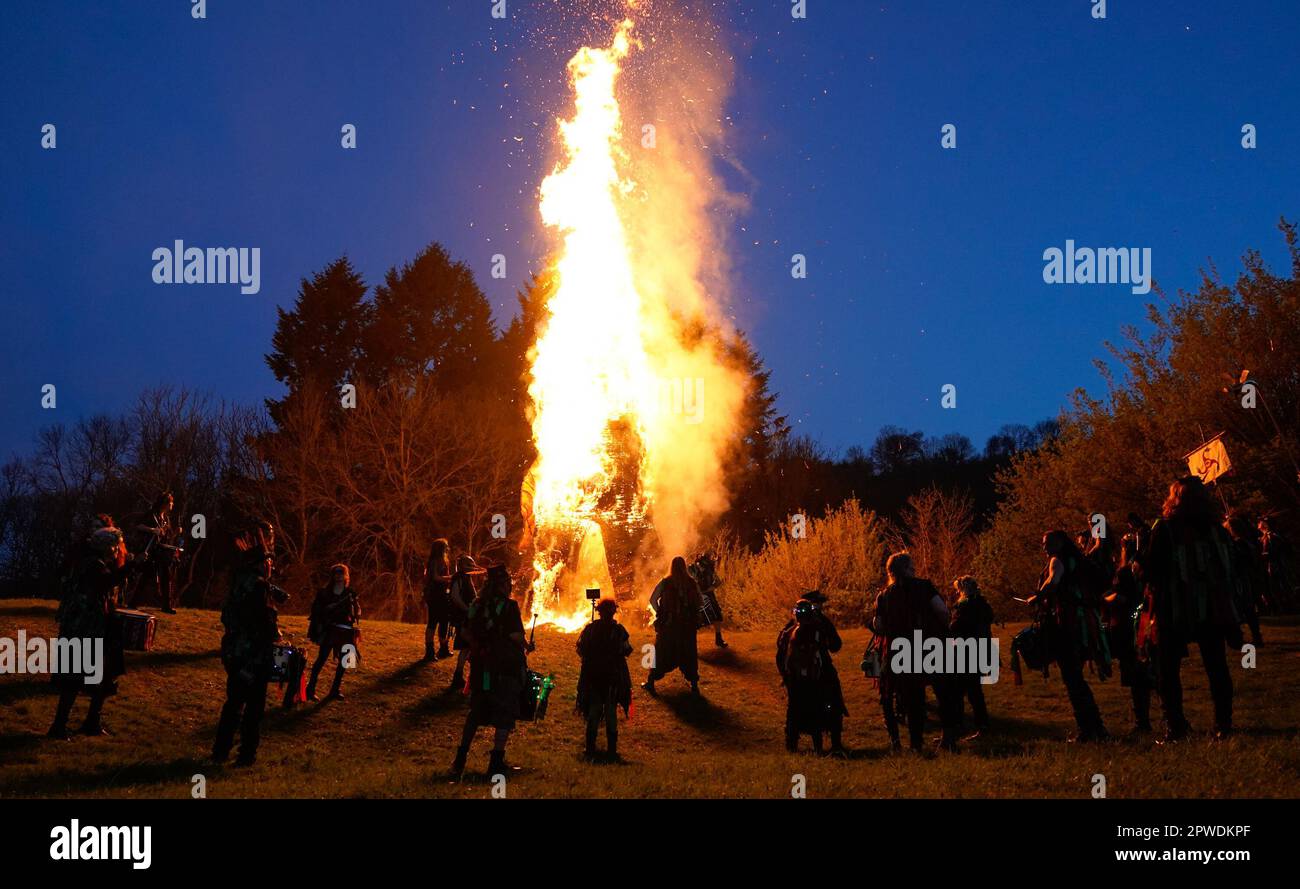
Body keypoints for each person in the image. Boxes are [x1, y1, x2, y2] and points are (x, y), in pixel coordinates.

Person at [1145, 477, 1239, 742]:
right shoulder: (1217, 530)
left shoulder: (1165, 529)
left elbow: (1153, 570)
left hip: (1175, 607)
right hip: (1210, 606)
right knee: (1216, 666)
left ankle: (1176, 726)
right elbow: (1230, 568)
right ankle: (1223, 723)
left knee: (1169, 670)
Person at [48, 525, 134, 739]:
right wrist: (130, 567)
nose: (117, 551)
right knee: (73, 678)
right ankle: (58, 727)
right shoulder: (92, 565)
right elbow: (104, 583)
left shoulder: (94, 562)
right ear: (107, 547)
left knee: (103, 676)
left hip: (93, 628)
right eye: (115, 547)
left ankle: (92, 722)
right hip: (82, 629)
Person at [212, 521, 285, 766]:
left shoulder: (237, 585)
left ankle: (220, 752)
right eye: (269, 563)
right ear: (262, 564)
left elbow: (228, 617)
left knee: (233, 704)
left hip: (234, 653)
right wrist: (276, 636)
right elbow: (264, 626)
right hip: (254, 656)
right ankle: (246, 755)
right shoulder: (259, 588)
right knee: (253, 708)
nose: (271, 566)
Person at [871, 552, 960, 752]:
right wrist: (942, 630)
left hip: (901, 650)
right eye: (911, 566)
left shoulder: (884, 595)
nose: (914, 569)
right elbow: (942, 611)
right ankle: (948, 738)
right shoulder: (924, 586)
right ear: (905, 569)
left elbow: (878, 624)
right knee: (943, 692)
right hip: (930, 645)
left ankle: (916, 744)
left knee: (913, 698)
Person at [450, 565, 532, 777]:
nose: (510, 587)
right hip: (504, 669)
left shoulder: (477, 604)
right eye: (508, 583)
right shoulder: (509, 606)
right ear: (503, 585)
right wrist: (526, 646)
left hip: (481, 668)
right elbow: (515, 635)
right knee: (505, 711)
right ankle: (495, 762)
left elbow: (465, 632)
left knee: (476, 712)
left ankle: (460, 759)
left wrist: (478, 645)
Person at [1033, 530, 1109, 742]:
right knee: (1076, 678)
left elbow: (1053, 581)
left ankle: (1088, 730)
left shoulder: (1057, 560)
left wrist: (1038, 597)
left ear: (1059, 542)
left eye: (1047, 542)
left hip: (1068, 625)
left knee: (1073, 679)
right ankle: (1096, 728)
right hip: (1083, 623)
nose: (1044, 547)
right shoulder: (1078, 560)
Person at [776, 590, 847, 754]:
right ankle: (835, 743)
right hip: (821, 673)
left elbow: (780, 651)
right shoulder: (820, 623)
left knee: (795, 707)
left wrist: (786, 675)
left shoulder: (791, 626)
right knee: (833, 702)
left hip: (796, 677)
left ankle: (792, 744)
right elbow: (836, 645)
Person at [1104, 537, 1153, 733]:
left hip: (1127, 627)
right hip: (1145, 624)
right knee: (1143, 672)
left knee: (1136, 675)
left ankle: (1142, 721)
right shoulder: (1146, 572)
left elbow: (1119, 597)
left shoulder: (1125, 573)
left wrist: (1104, 598)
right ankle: (1145, 719)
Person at [575, 598, 633, 760]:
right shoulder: (619, 630)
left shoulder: (590, 629)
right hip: (612, 677)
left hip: (593, 675)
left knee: (594, 711)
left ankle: (590, 748)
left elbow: (581, 650)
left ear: (599, 612)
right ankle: (611, 751)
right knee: (610, 712)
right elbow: (627, 650)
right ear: (614, 612)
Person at [642, 556, 702, 696]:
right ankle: (694, 685)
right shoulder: (691, 582)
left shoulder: (665, 582)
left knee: (661, 651)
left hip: (669, 625)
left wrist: (660, 612)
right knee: (689, 653)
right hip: (687, 627)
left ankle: (650, 683)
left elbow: (652, 599)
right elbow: (699, 601)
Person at [306, 564, 361, 701]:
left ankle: (335, 690)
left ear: (346, 575)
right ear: (332, 575)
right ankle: (310, 689)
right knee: (321, 659)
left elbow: (357, 610)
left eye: (341, 573)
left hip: (345, 630)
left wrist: (356, 611)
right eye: (336, 573)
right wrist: (326, 609)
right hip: (329, 629)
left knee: (344, 661)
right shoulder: (324, 592)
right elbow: (316, 611)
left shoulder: (350, 593)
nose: (338, 576)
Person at [949, 575, 994, 736]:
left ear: (962, 589)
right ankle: (977, 726)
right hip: (980, 649)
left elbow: (955, 627)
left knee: (961, 691)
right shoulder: (983, 604)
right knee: (972, 690)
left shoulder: (965, 606)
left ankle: (964, 727)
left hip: (966, 651)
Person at [135, 492, 179, 613]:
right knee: (147, 576)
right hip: (150, 550)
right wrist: (152, 530)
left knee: (166, 576)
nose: (172, 505)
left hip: (160, 551)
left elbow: (166, 537)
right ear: (165, 503)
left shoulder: (166, 518)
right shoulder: (151, 514)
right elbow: (138, 526)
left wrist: (175, 533)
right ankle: (133, 602)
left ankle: (166, 605)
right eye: (171, 502)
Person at [1224, 513, 1264, 645]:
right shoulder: (1247, 542)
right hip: (1247, 578)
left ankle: (1242, 637)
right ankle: (1255, 636)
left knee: (1242, 608)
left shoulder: (1239, 544)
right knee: (1248, 609)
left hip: (1240, 579)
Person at [447, 555, 486, 690]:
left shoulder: (466, 577)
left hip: (468, 616)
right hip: (462, 617)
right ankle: (459, 677)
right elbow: (455, 596)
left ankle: (461, 676)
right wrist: (467, 609)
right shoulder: (458, 578)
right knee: (466, 647)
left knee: (467, 647)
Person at [422, 538, 453, 660]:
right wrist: (450, 578)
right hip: (435, 595)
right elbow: (435, 577)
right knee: (433, 622)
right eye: (445, 546)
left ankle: (443, 649)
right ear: (440, 549)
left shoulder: (443, 560)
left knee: (444, 621)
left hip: (442, 594)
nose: (447, 548)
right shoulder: (435, 561)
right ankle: (429, 652)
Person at [1257, 517, 1296, 613]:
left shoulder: (1272, 537)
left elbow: (1274, 552)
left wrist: (1261, 555)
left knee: (1279, 586)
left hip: (1275, 566)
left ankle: (1286, 607)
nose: (1258, 524)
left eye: (1260, 522)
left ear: (1265, 525)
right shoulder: (1267, 537)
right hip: (1274, 565)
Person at [690, 553, 728, 648]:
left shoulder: (710, 570)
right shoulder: (692, 569)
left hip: (708, 595)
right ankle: (691, 642)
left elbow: (718, 581)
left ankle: (718, 639)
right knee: (695, 619)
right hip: (696, 596)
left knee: (717, 616)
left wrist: (712, 587)